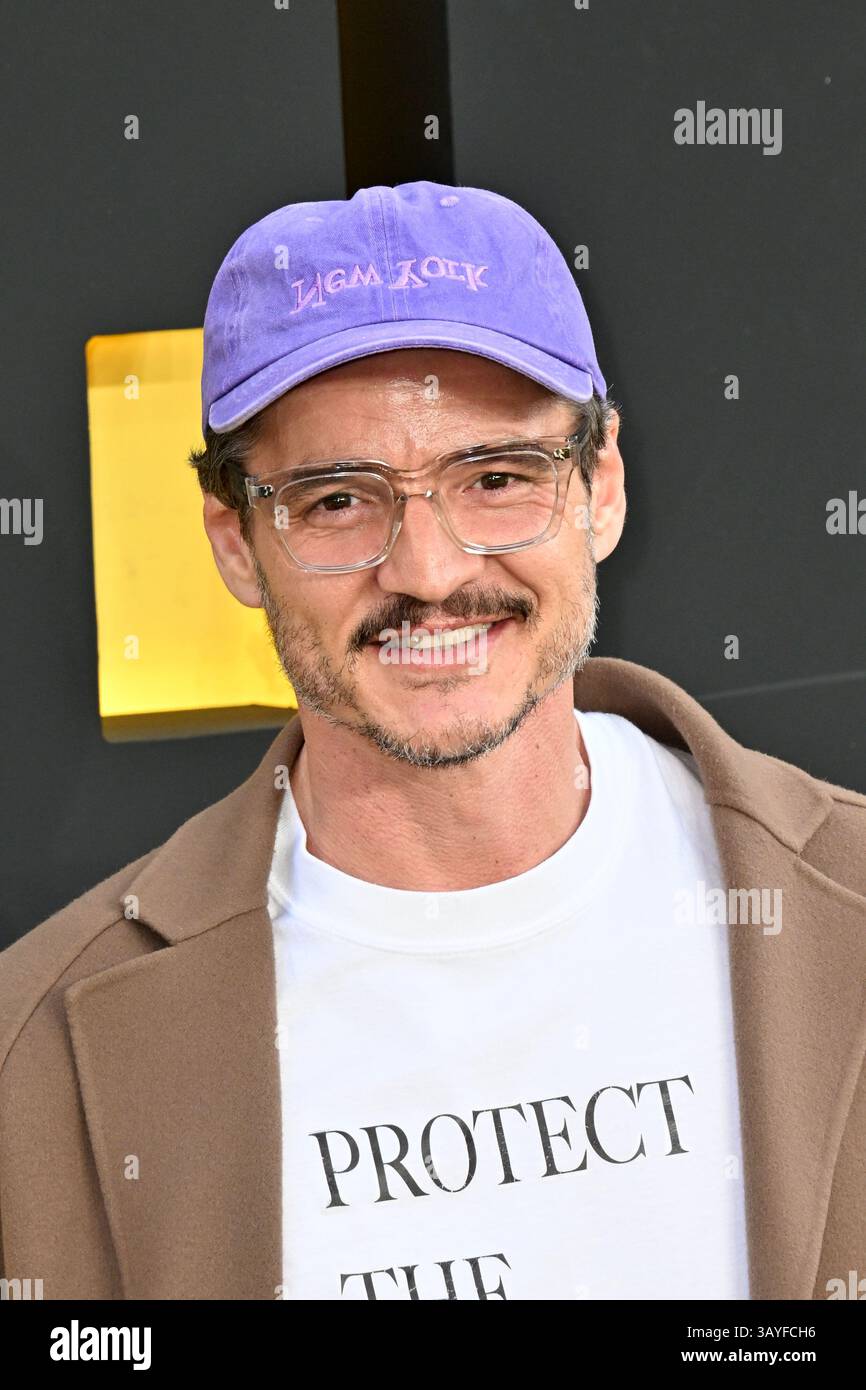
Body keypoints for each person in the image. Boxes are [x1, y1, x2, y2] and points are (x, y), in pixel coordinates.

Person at [1, 181, 864, 1302]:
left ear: (598, 488)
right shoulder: (35, 1060)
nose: (428, 570)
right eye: (338, 502)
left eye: (495, 478)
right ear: (235, 542)